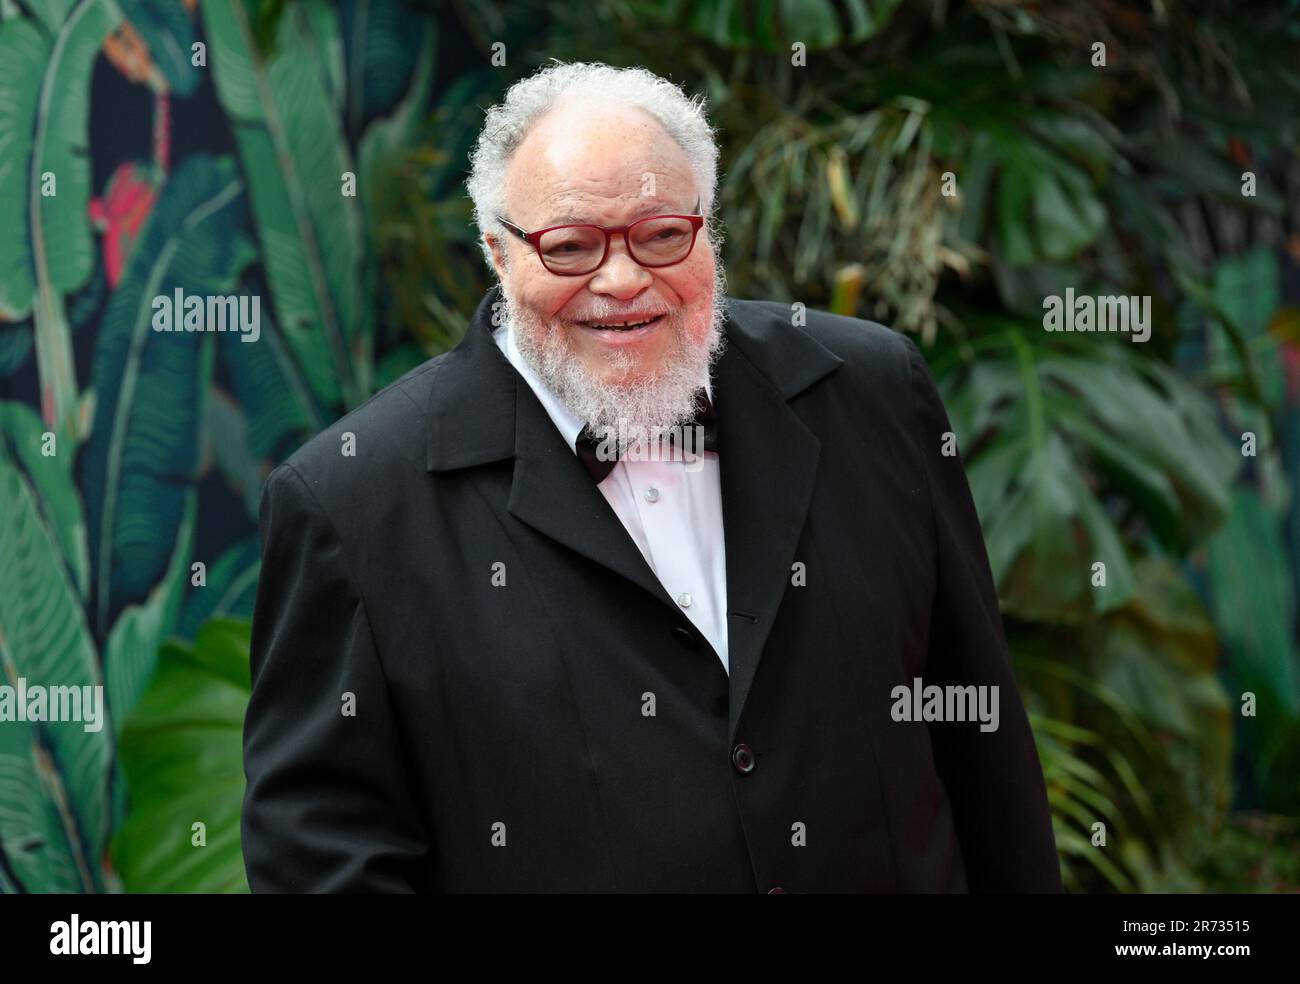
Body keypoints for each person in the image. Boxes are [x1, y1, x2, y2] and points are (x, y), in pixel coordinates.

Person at [241, 61, 1061, 893]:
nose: (623, 280)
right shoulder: (352, 503)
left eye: (662, 233)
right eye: (569, 246)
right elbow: (328, 869)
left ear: (708, 230)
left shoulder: (873, 391)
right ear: (498, 251)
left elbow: (985, 753)